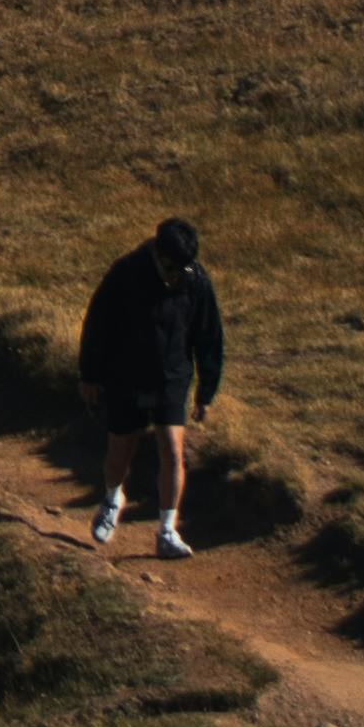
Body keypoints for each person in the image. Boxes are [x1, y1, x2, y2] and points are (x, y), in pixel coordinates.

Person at [79, 215, 221, 554]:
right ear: (158, 254)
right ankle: (113, 500)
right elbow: (97, 324)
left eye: (184, 268)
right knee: (121, 447)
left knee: (172, 450)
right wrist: (90, 374)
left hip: (172, 377)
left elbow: (208, 336)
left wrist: (207, 391)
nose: (177, 275)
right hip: (125, 375)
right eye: (172, 267)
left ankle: (167, 530)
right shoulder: (126, 273)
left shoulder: (196, 280)